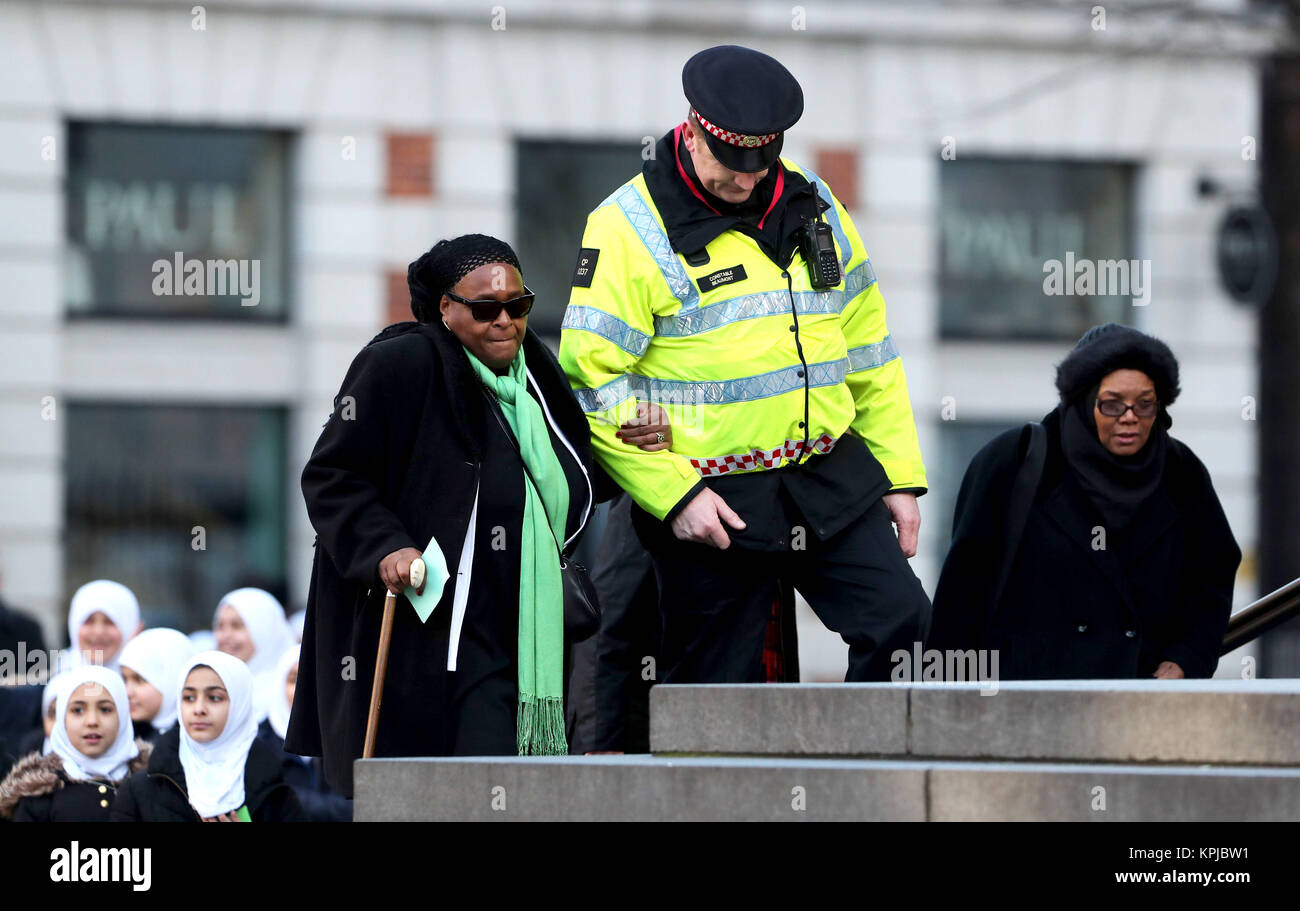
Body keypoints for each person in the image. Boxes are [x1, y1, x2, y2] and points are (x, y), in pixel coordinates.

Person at [559, 45, 931, 686]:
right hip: (712, 496)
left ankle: (862, 782)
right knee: (717, 689)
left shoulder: (818, 206)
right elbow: (592, 383)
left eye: (759, 165)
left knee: (904, 629)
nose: (745, 181)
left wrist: (899, 476)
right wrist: (674, 496)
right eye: (730, 165)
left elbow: (870, 351)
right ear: (694, 129)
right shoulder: (626, 226)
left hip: (826, 473)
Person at [287, 234, 673, 798]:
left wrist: (636, 447)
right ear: (445, 308)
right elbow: (333, 475)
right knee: (434, 788)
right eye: (485, 308)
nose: (505, 322)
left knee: (503, 785)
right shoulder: (401, 362)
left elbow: (569, 477)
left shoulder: (535, 373)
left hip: (518, 630)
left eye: (518, 306)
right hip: (426, 631)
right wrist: (384, 547)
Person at [927, 323, 1242, 679]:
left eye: (1144, 405)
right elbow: (963, 593)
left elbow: (1210, 579)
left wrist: (1187, 658)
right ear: (1084, 401)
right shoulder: (1016, 462)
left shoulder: (1181, 474)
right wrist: (949, 701)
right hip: (1022, 706)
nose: (1129, 418)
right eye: (1111, 404)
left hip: (1140, 707)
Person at [111, 650, 305, 822]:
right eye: (189, 698)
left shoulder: (275, 793)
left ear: (240, 705)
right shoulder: (141, 788)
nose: (199, 709)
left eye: (215, 698)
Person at [0, 666, 149, 822]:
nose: (92, 721)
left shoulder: (153, 782)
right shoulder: (39, 793)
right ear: (62, 718)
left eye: (105, 709)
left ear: (123, 715)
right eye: (78, 710)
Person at [258, 646, 351, 821]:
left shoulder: (346, 738)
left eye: (314, 679)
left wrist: (291, 799)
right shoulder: (259, 744)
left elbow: (360, 807)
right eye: (294, 680)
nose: (304, 690)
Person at [213, 587, 294, 718]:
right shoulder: (211, 690)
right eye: (220, 626)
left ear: (266, 630)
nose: (225, 635)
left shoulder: (289, 692)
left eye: (237, 625)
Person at [118, 628, 197, 743]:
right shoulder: (123, 738)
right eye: (124, 679)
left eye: (140, 680)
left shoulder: (196, 744)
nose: (127, 692)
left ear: (172, 679)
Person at [58, 579, 142, 672]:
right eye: (89, 621)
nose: (99, 631)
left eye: (109, 622)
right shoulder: (53, 682)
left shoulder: (152, 683)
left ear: (130, 628)